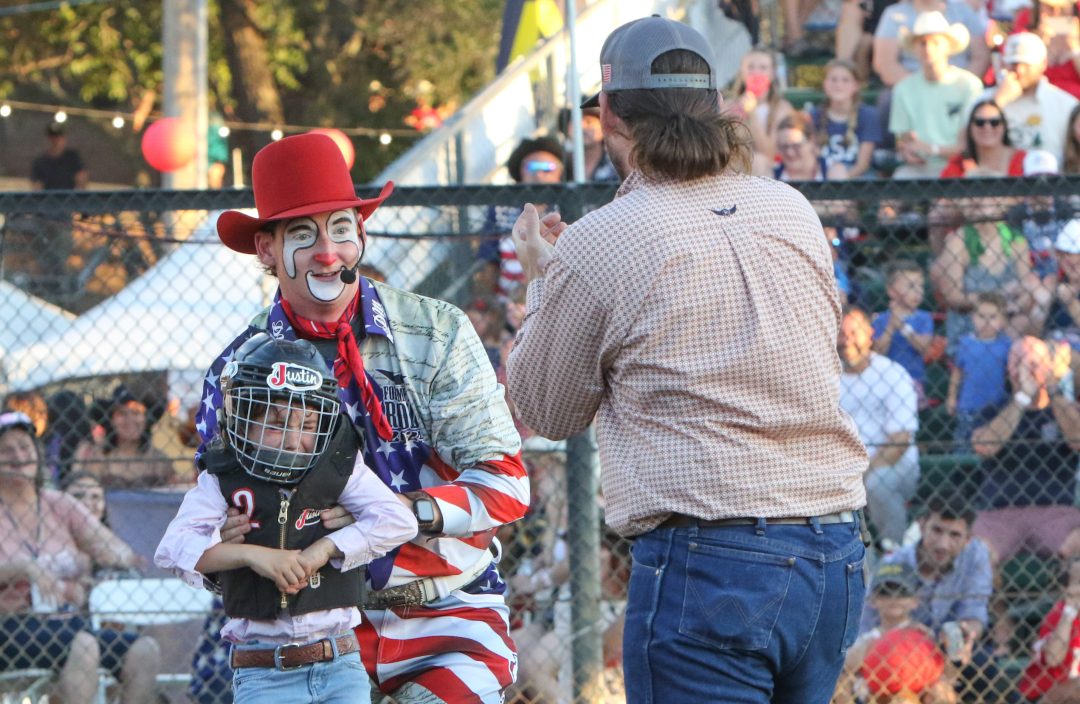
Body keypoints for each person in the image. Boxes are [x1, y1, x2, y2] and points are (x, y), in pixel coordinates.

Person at [506, 16, 869, 702]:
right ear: (718, 107)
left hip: (712, 559)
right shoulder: (790, 209)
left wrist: (541, 280)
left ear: (609, 113)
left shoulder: (600, 239)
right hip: (833, 549)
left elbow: (547, 410)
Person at [198, 132, 528, 703]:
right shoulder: (235, 372)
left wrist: (396, 513)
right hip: (309, 635)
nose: (329, 252)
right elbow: (208, 531)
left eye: (342, 228)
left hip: (447, 612)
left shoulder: (437, 332)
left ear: (362, 234)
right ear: (266, 251)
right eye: (304, 234)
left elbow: (505, 482)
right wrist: (223, 537)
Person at [155, 334, 417, 704]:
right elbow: (172, 549)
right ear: (244, 419)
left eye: (308, 424)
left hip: (340, 663)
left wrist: (325, 549)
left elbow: (397, 520)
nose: (295, 440)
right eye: (278, 423)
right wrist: (252, 555)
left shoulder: (339, 466)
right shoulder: (223, 476)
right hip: (263, 670)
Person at [0, 411, 160, 704]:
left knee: (144, 649)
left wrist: (96, 567)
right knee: (85, 645)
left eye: (24, 447)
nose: (18, 455)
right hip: (11, 626)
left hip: (67, 622)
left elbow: (115, 550)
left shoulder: (57, 503)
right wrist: (24, 568)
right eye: (7, 450)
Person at [859, 495, 1005, 703]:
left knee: (982, 662)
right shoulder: (895, 563)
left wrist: (964, 633)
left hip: (949, 647)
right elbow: (867, 626)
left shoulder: (976, 556)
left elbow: (975, 614)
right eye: (937, 530)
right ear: (921, 525)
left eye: (955, 535)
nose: (943, 544)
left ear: (968, 539)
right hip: (902, 651)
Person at [970, 335, 1080, 566]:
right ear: (1009, 368)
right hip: (998, 512)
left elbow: (1076, 439)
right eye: (1018, 361)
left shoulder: (1064, 409)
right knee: (977, 554)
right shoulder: (993, 410)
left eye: (1033, 362)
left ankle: (1067, 603)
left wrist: (1052, 388)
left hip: (1056, 510)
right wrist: (1021, 398)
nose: (1026, 369)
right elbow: (985, 446)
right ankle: (990, 604)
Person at [839, 306, 920, 547]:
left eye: (854, 333)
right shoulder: (827, 378)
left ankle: (893, 551)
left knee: (878, 482)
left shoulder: (892, 374)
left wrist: (863, 474)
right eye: (841, 333)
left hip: (893, 464)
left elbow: (901, 440)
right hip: (842, 469)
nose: (847, 340)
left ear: (870, 334)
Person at [836, 562, 955, 704]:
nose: (894, 598)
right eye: (885, 592)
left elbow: (947, 674)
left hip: (916, 693)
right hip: (875, 694)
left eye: (902, 592)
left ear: (915, 600)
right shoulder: (869, 639)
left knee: (940, 690)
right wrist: (869, 651)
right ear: (873, 600)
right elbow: (844, 669)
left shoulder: (923, 634)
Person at [889, 11, 984, 178]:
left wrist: (931, 149)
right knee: (895, 189)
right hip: (919, 169)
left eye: (935, 42)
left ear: (948, 46)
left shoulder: (970, 85)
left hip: (961, 168)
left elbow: (969, 145)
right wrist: (907, 151)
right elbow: (903, 139)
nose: (928, 49)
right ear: (915, 48)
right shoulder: (903, 89)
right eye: (923, 43)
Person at [477, 135, 566, 301]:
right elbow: (488, 262)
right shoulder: (500, 209)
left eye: (547, 168)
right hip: (505, 304)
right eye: (532, 167)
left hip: (555, 301)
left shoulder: (570, 207)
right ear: (520, 172)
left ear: (560, 173)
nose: (539, 174)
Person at [985, 32, 1078, 163]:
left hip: (1050, 180)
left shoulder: (1066, 105)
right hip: (1000, 181)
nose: (1019, 70)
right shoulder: (984, 101)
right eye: (1013, 63)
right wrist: (998, 102)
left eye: (1026, 64)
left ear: (1043, 63)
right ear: (1003, 64)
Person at [946, 292, 1012, 453]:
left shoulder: (1006, 345)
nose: (987, 322)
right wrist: (952, 397)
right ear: (973, 317)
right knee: (964, 444)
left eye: (993, 317)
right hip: (969, 405)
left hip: (996, 406)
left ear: (1002, 320)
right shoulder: (965, 343)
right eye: (981, 316)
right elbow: (957, 372)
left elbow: (1010, 374)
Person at [72, 385, 174, 489]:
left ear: (146, 419)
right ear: (111, 420)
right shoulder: (94, 454)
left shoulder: (159, 460)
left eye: (136, 412)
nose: (129, 419)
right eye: (121, 413)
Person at [1018, 557, 1080, 702]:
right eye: (1078, 582)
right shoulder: (1059, 613)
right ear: (1066, 589)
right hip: (1048, 692)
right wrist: (1069, 611)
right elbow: (1053, 659)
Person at [810, 58, 882, 179]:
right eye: (833, 80)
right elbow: (811, 157)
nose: (838, 85)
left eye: (845, 80)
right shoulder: (814, 116)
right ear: (825, 84)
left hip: (856, 181)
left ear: (855, 85)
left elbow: (862, 164)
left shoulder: (868, 115)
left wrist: (838, 185)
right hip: (821, 179)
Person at [872, 260, 935, 397]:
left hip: (913, 379)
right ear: (892, 291)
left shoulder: (924, 318)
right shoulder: (880, 319)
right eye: (911, 286)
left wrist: (902, 326)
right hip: (884, 380)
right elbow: (878, 352)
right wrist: (890, 325)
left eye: (921, 286)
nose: (918, 291)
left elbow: (923, 346)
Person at [726, 46, 795, 163]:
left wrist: (752, 114)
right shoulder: (728, 107)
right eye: (750, 67)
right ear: (742, 71)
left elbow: (770, 155)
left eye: (763, 68)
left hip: (769, 174)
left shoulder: (782, 108)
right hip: (736, 171)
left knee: (759, 161)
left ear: (772, 73)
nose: (756, 73)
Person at [939, 100, 1027, 178]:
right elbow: (940, 194)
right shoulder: (958, 164)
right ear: (970, 128)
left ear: (1004, 126)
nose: (987, 127)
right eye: (979, 122)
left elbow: (1036, 195)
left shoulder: (1024, 161)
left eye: (994, 122)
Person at [30, 122, 88, 190]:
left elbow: (81, 178)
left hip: (69, 197)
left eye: (58, 137)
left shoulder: (72, 157)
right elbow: (37, 185)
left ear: (64, 138)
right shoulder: (40, 161)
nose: (55, 140)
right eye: (52, 137)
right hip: (48, 198)